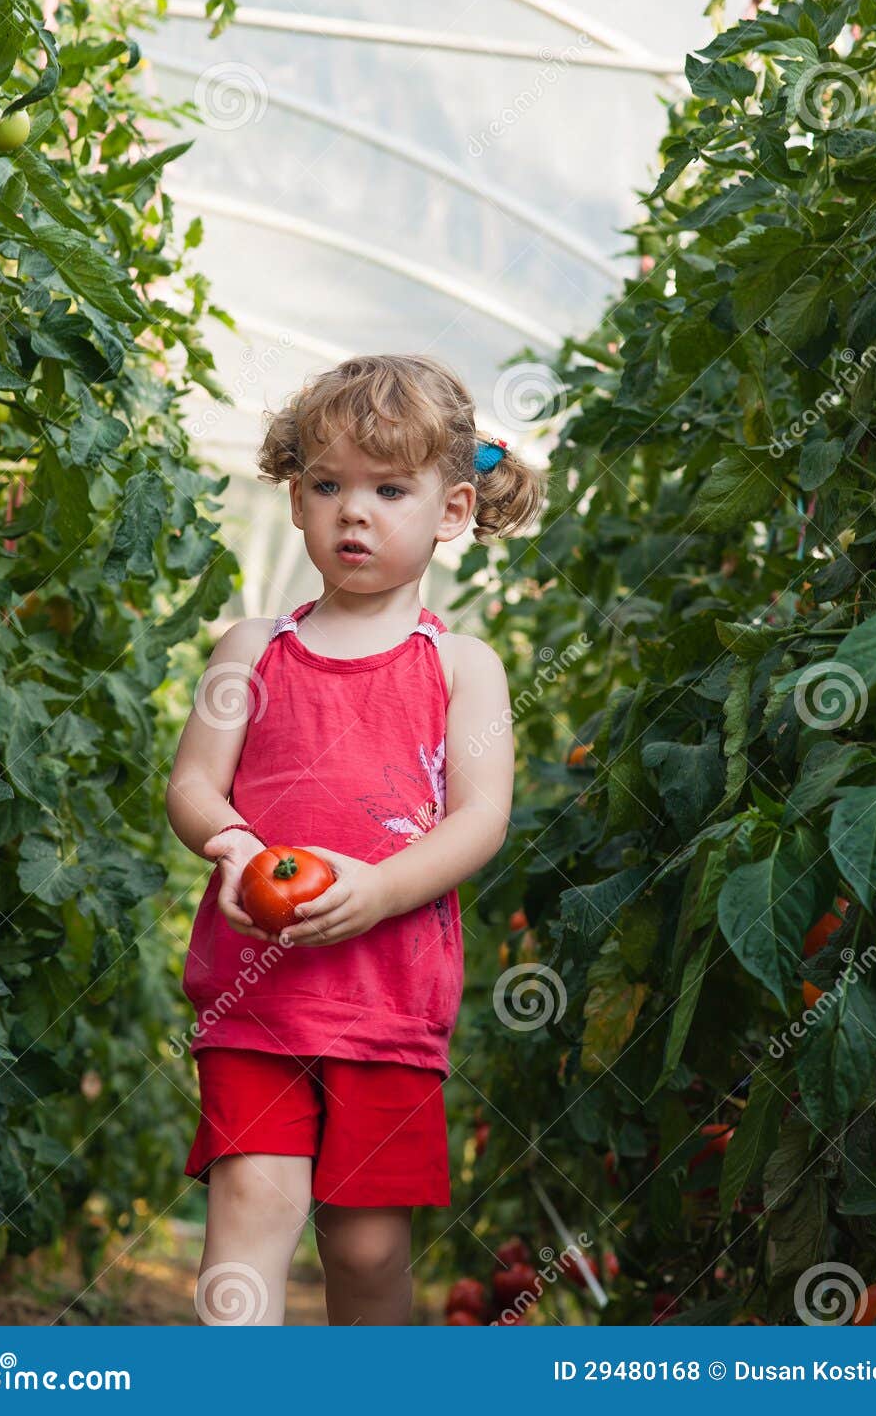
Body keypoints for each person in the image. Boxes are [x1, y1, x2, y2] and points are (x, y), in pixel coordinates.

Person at [166, 353, 544, 1325]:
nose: (353, 512)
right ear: (293, 500)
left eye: (387, 488)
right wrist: (239, 849)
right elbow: (193, 787)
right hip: (257, 994)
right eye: (326, 485)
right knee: (253, 1203)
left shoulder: (462, 667)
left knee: (368, 1243)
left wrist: (376, 890)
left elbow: (478, 816)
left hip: (388, 1006)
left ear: (452, 510)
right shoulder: (251, 649)